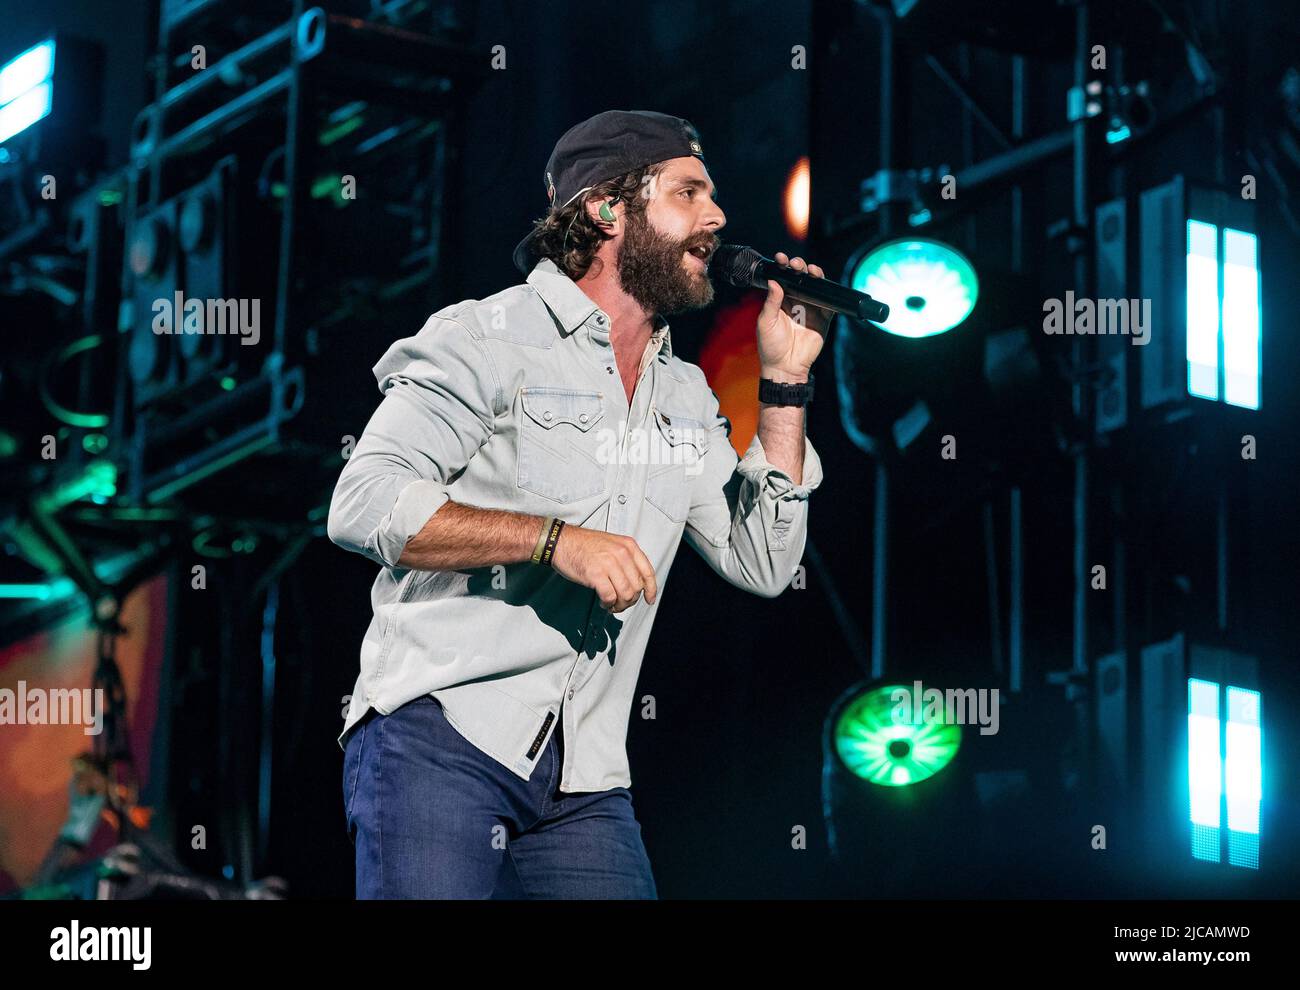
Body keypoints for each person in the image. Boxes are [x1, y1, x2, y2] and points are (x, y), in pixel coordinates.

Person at [328, 110, 830, 899]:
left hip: (585, 777)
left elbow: (764, 560)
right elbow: (364, 500)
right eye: (689, 192)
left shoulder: (685, 396)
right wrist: (553, 540)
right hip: (443, 735)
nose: (719, 217)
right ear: (606, 209)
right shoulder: (487, 337)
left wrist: (786, 385)